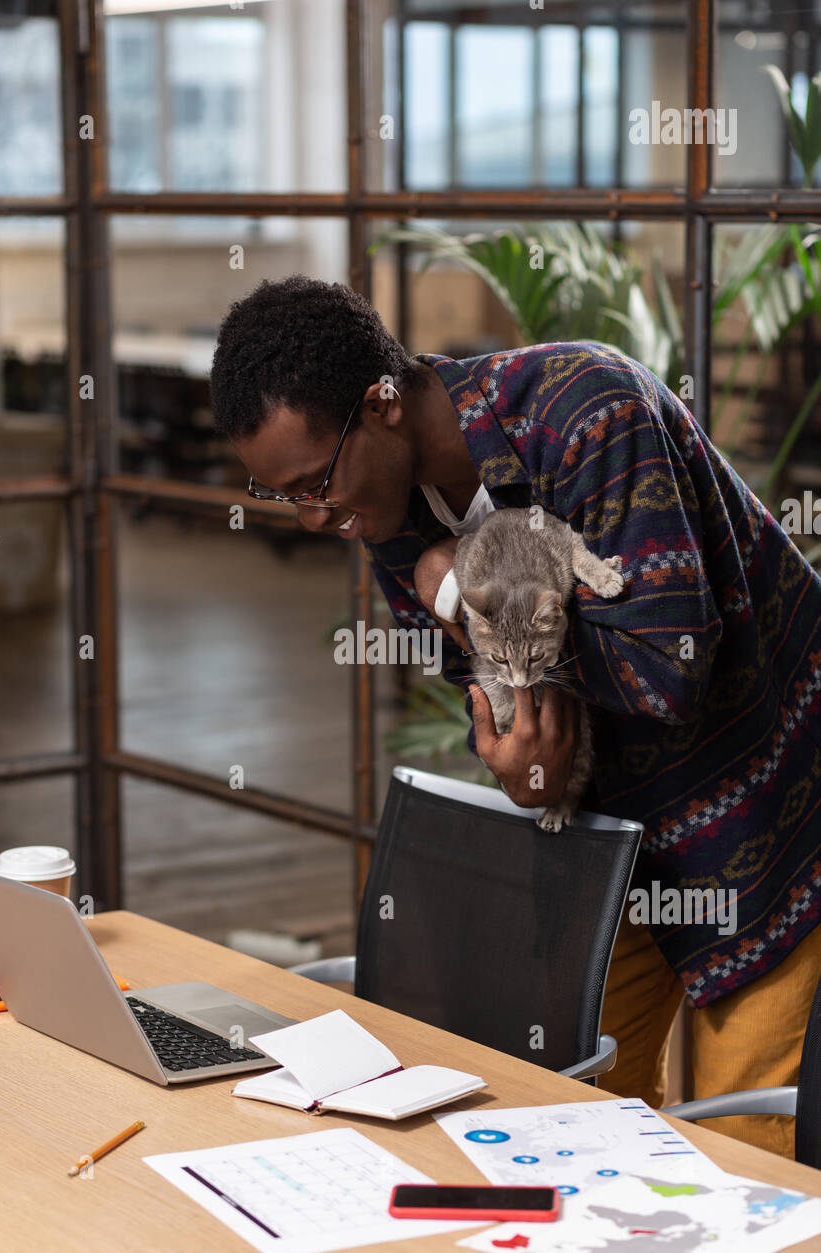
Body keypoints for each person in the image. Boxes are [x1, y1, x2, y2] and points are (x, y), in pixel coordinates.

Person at [210, 274, 821, 1159]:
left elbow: (666, 668)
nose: (312, 517)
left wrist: (458, 589)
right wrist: (526, 772)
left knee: (754, 1160)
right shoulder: (388, 517)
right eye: (285, 497)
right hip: (619, 830)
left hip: (772, 811)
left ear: (381, 403)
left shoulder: (589, 409)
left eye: (314, 483)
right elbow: (516, 705)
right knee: (552, 1119)